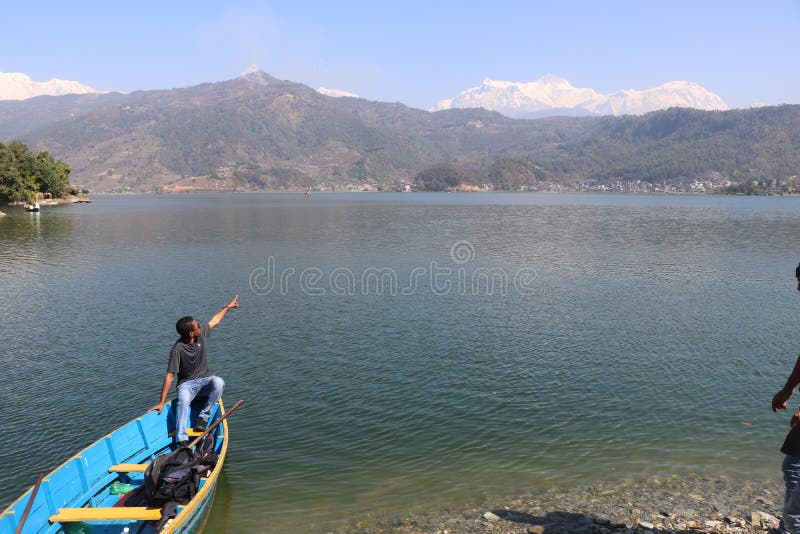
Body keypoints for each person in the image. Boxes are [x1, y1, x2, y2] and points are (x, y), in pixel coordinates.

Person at [149, 295, 239, 446]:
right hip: (187, 385)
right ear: (191, 333)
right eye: (197, 326)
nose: (200, 326)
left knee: (218, 382)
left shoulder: (200, 336)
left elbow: (215, 320)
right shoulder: (177, 349)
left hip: (205, 381)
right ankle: (182, 440)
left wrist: (227, 308)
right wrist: (161, 402)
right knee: (183, 401)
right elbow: (170, 376)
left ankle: (203, 417)